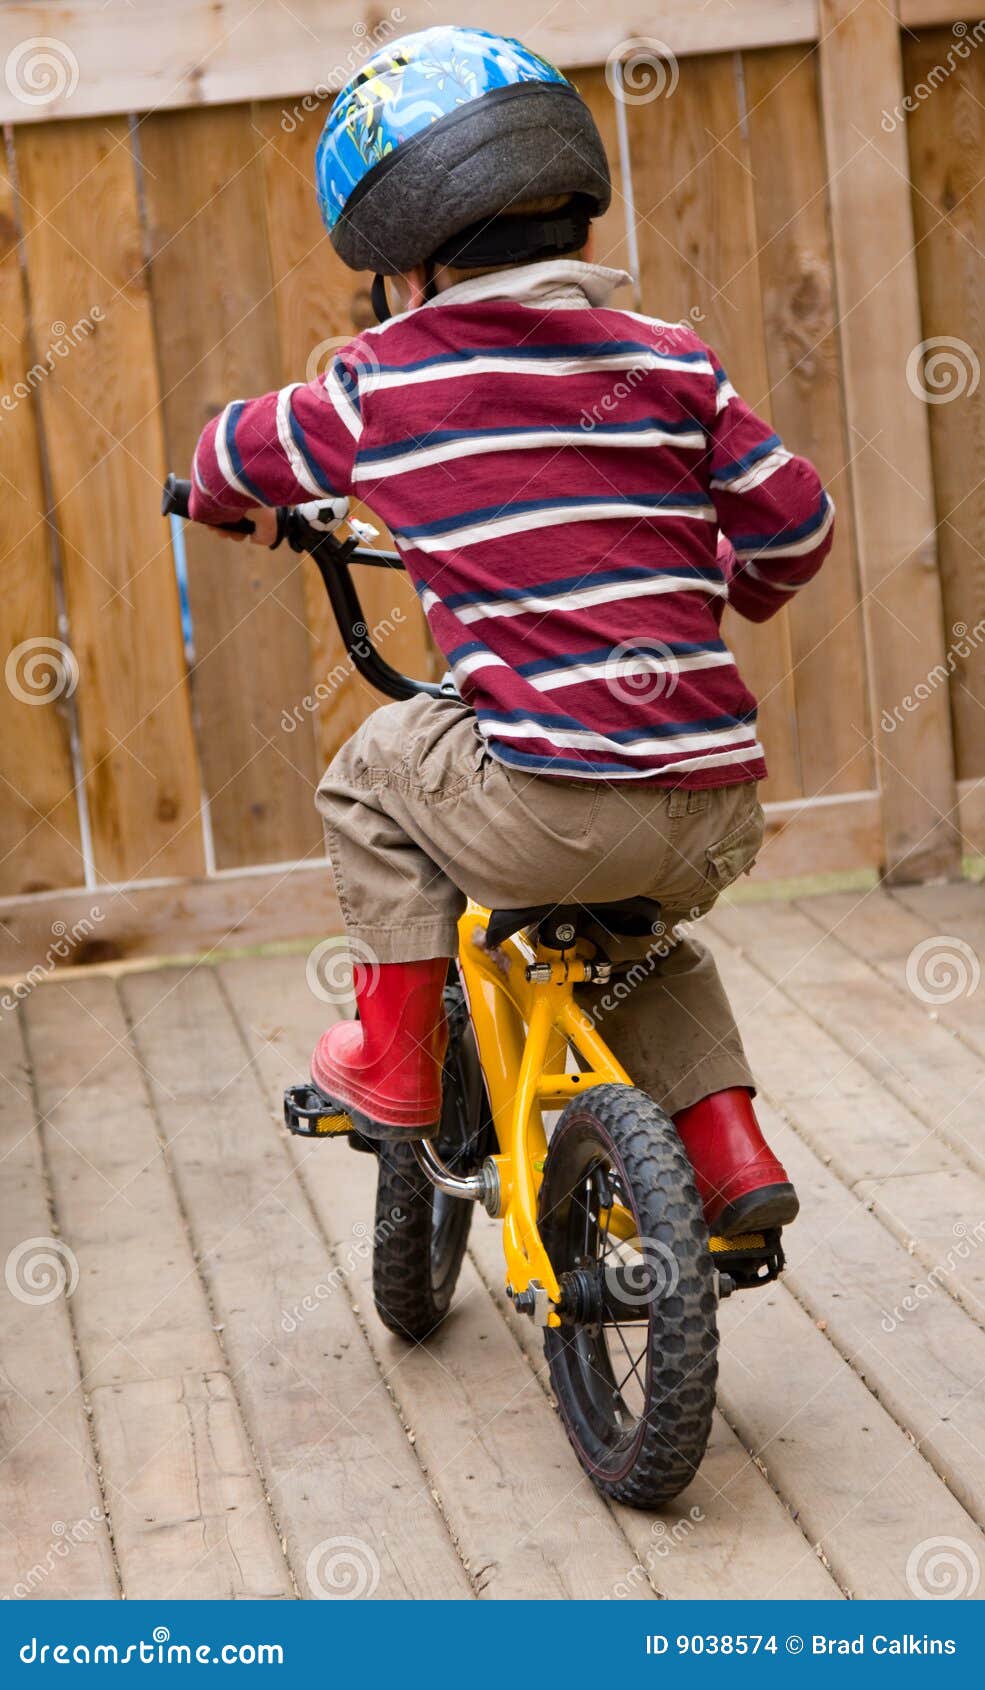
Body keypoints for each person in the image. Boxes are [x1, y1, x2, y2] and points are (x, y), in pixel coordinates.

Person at [187, 25, 834, 1237]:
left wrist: (231, 505)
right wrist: (741, 591)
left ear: (404, 260)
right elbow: (796, 523)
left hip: (547, 801)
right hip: (712, 807)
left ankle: (391, 1059)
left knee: (372, 769)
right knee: (641, 950)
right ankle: (732, 1157)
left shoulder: (388, 379)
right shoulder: (672, 361)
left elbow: (231, 451)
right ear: (576, 217)